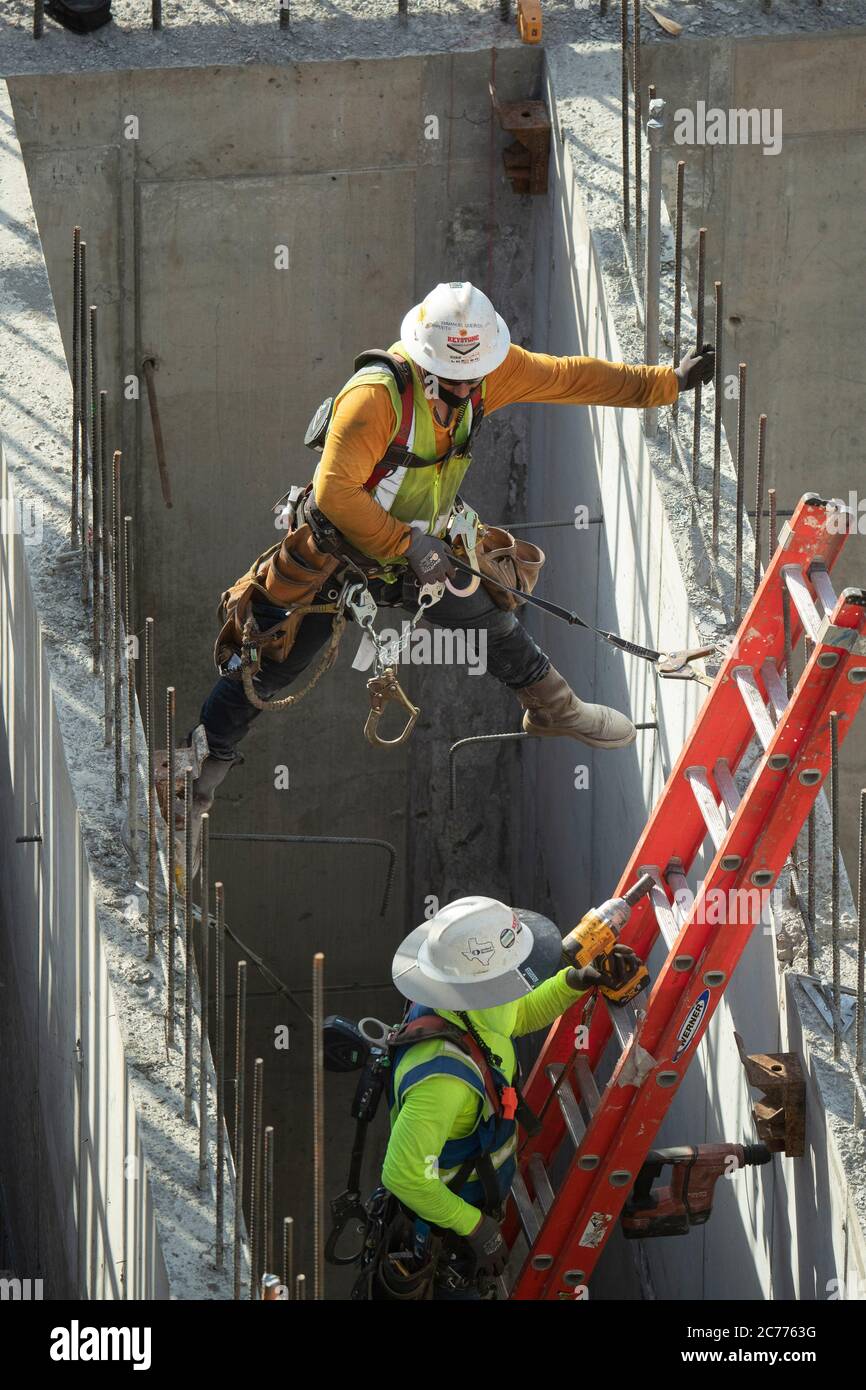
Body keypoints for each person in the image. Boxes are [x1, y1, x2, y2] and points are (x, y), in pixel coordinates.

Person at [167, 282, 714, 869]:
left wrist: (667, 384)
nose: (462, 388)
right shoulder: (375, 399)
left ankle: (553, 706)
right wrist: (407, 544)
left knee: (487, 610)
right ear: (424, 358)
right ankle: (191, 785)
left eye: (471, 377)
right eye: (450, 378)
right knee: (269, 667)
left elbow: (570, 377)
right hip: (340, 553)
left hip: (419, 550)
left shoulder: (488, 372)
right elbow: (333, 494)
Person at [366, 895, 633, 1299]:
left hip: (472, 1198)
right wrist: (476, 1228)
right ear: (480, 985)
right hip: (444, 1237)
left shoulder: (463, 1003)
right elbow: (402, 1175)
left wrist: (577, 981)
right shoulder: (441, 1081)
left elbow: (518, 1016)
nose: (516, 982)